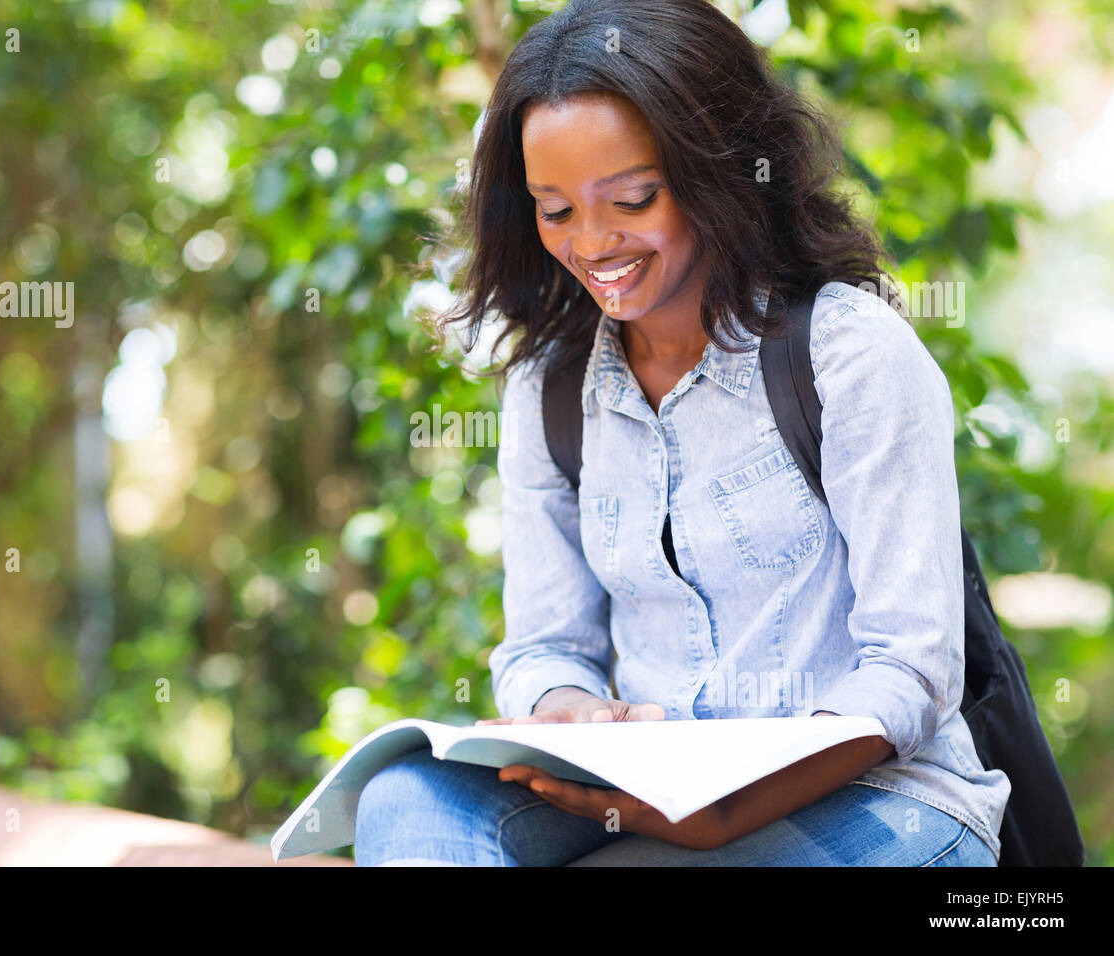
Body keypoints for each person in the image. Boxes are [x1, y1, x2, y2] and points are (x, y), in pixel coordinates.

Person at [354, 0, 1009, 866]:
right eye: (555, 211)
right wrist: (572, 713)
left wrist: (723, 814)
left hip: (882, 801)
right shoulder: (550, 388)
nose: (592, 244)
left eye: (631, 198)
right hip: (650, 793)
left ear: (722, 171)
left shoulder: (850, 354)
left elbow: (913, 670)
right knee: (408, 801)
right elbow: (547, 647)